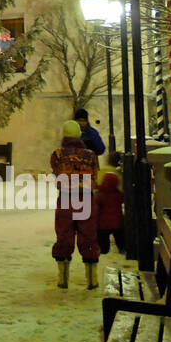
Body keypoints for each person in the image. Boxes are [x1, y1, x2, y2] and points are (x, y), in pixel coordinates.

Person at [49, 119, 100, 289]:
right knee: (88, 235)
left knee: (64, 234)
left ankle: (63, 278)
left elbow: (56, 171)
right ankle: (92, 278)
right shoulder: (91, 155)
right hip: (86, 198)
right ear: (79, 134)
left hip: (65, 198)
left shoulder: (57, 155)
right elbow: (95, 175)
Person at [96, 151, 125, 255]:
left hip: (102, 223)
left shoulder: (100, 194)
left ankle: (103, 250)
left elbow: (96, 205)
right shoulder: (117, 192)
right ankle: (122, 249)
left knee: (103, 239)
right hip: (117, 221)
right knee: (120, 237)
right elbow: (123, 197)